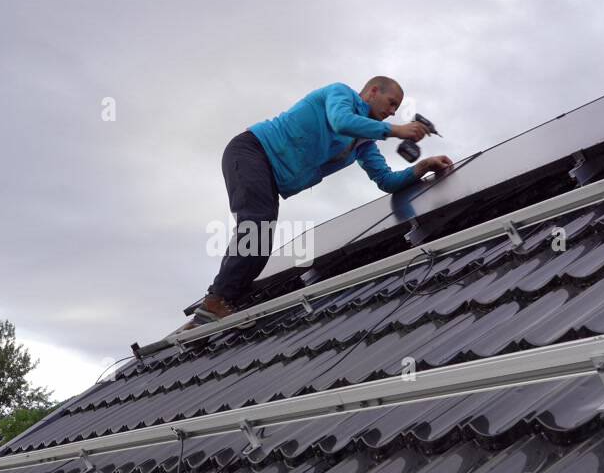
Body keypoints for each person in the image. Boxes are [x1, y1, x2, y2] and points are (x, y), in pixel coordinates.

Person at [187, 76, 453, 328]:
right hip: (252, 150)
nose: (393, 112)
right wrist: (396, 131)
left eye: (396, 108)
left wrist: (422, 167)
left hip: (268, 173)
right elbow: (340, 121)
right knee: (257, 223)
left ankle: (216, 309)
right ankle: (215, 301)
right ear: (372, 92)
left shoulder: (363, 142)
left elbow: (386, 181)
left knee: (261, 239)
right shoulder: (340, 93)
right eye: (391, 102)